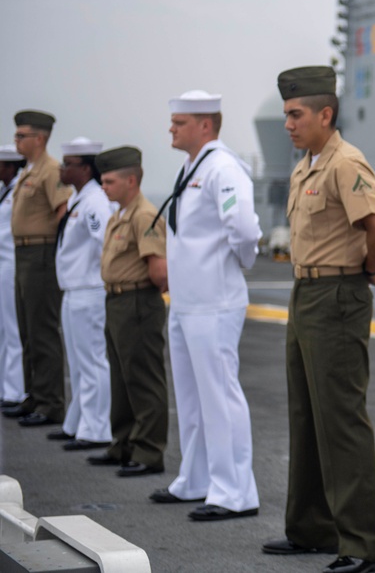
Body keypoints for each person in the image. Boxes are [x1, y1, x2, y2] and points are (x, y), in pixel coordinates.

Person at [261, 66, 375, 573]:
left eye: (296, 114)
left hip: (337, 296)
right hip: (306, 292)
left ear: (325, 114)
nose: (288, 124)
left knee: (340, 420)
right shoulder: (307, 166)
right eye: (286, 115)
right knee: (306, 415)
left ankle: (361, 546)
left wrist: (369, 268)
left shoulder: (344, 162)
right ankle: (311, 527)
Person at [149, 91, 261, 521]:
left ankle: (234, 492)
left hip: (214, 301)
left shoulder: (223, 168)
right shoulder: (192, 167)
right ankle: (195, 479)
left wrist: (238, 265)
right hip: (186, 301)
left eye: (179, 123)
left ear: (205, 125)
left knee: (219, 397)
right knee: (192, 398)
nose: (171, 128)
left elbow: (244, 230)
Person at [88, 146, 170, 478]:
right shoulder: (120, 215)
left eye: (109, 181)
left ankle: (148, 451)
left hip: (137, 302)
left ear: (131, 180)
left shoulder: (143, 216)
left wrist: (143, 296)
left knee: (142, 378)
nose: (103, 187)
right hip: (117, 302)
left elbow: (159, 270)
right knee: (121, 379)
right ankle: (123, 444)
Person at [7, 110, 72, 427]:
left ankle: (50, 403)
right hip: (24, 254)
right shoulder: (30, 170)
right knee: (27, 329)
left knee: (42, 330)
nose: (16, 141)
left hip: (41, 254)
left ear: (40, 138)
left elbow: (62, 211)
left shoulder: (50, 170)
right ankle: (34, 394)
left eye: (22, 136)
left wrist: (55, 253)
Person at [50, 137, 113, 451]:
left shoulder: (95, 201)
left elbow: (105, 243)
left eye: (68, 164)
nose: (62, 169)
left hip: (89, 290)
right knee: (77, 363)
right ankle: (77, 423)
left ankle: (96, 429)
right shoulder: (79, 198)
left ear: (86, 168)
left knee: (92, 362)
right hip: (73, 290)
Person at [0, 145, 27, 412]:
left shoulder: (20, 188)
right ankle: (4, 387)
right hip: (1, 263)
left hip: (11, 263)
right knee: (2, 329)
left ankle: (15, 390)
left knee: (13, 327)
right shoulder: (5, 190)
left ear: (9, 166)